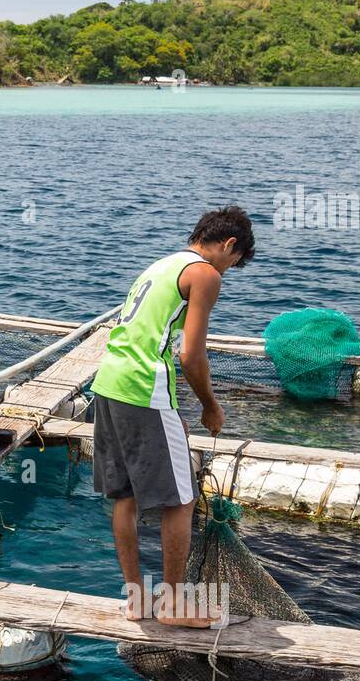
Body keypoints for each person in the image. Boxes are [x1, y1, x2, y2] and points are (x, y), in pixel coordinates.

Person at [90, 205, 255, 627]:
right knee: (180, 500)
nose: (228, 273)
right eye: (233, 264)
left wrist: (174, 411)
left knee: (126, 497)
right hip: (145, 388)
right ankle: (174, 606)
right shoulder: (205, 274)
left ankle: (135, 600)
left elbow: (152, 336)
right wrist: (210, 406)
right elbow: (190, 354)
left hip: (109, 382)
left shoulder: (162, 265)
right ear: (229, 245)